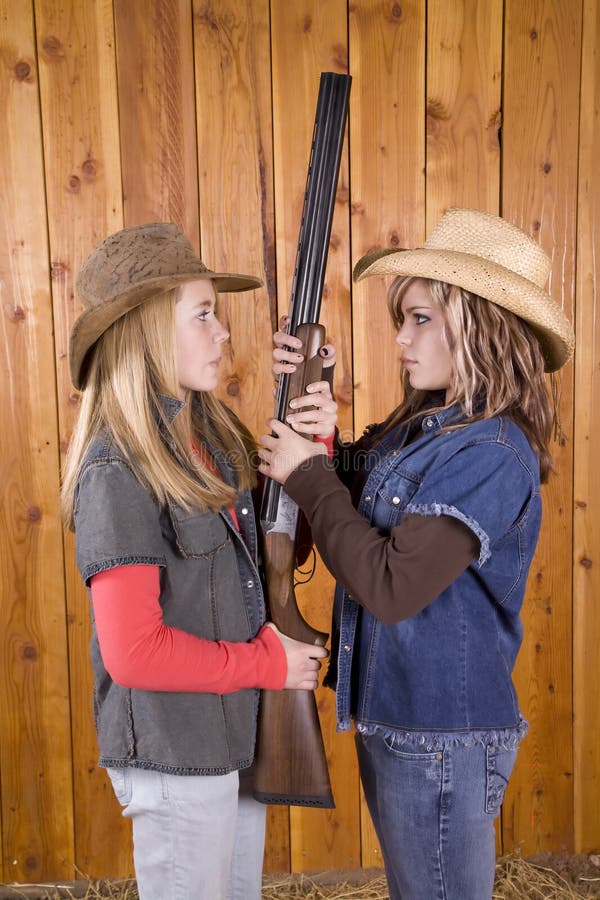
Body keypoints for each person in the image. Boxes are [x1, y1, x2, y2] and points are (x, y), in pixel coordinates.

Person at [260, 208, 575, 900]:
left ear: (481, 326)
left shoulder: (491, 450)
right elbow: (360, 493)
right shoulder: (427, 430)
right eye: (402, 319)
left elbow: (391, 584)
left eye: (421, 319)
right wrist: (320, 412)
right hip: (404, 723)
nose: (400, 339)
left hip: (441, 742)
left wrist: (309, 472)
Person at [60, 222, 336, 900]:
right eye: (204, 314)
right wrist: (266, 664)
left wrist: (315, 431)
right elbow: (133, 654)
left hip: (233, 738)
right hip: (177, 753)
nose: (224, 334)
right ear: (149, 330)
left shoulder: (211, 432)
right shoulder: (114, 468)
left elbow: (283, 544)